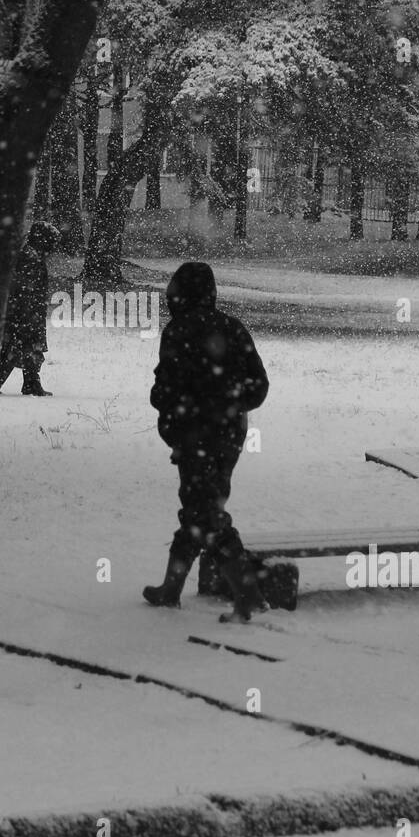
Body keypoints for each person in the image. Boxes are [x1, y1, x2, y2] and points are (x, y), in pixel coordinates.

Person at [143, 260, 276, 621]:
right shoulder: (233, 328)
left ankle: (247, 595)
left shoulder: (178, 331)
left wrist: (177, 417)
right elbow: (258, 386)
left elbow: (165, 390)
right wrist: (229, 403)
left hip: (194, 435)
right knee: (199, 507)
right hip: (229, 435)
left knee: (206, 514)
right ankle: (170, 590)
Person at [0, 221, 60, 396]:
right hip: (24, 312)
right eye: (52, 243)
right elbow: (22, 289)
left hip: (30, 311)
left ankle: (31, 383)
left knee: (31, 348)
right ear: (43, 240)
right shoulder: (28, 258)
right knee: (16, 347)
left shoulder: (32, 255)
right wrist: (25, 313)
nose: (53, 249)